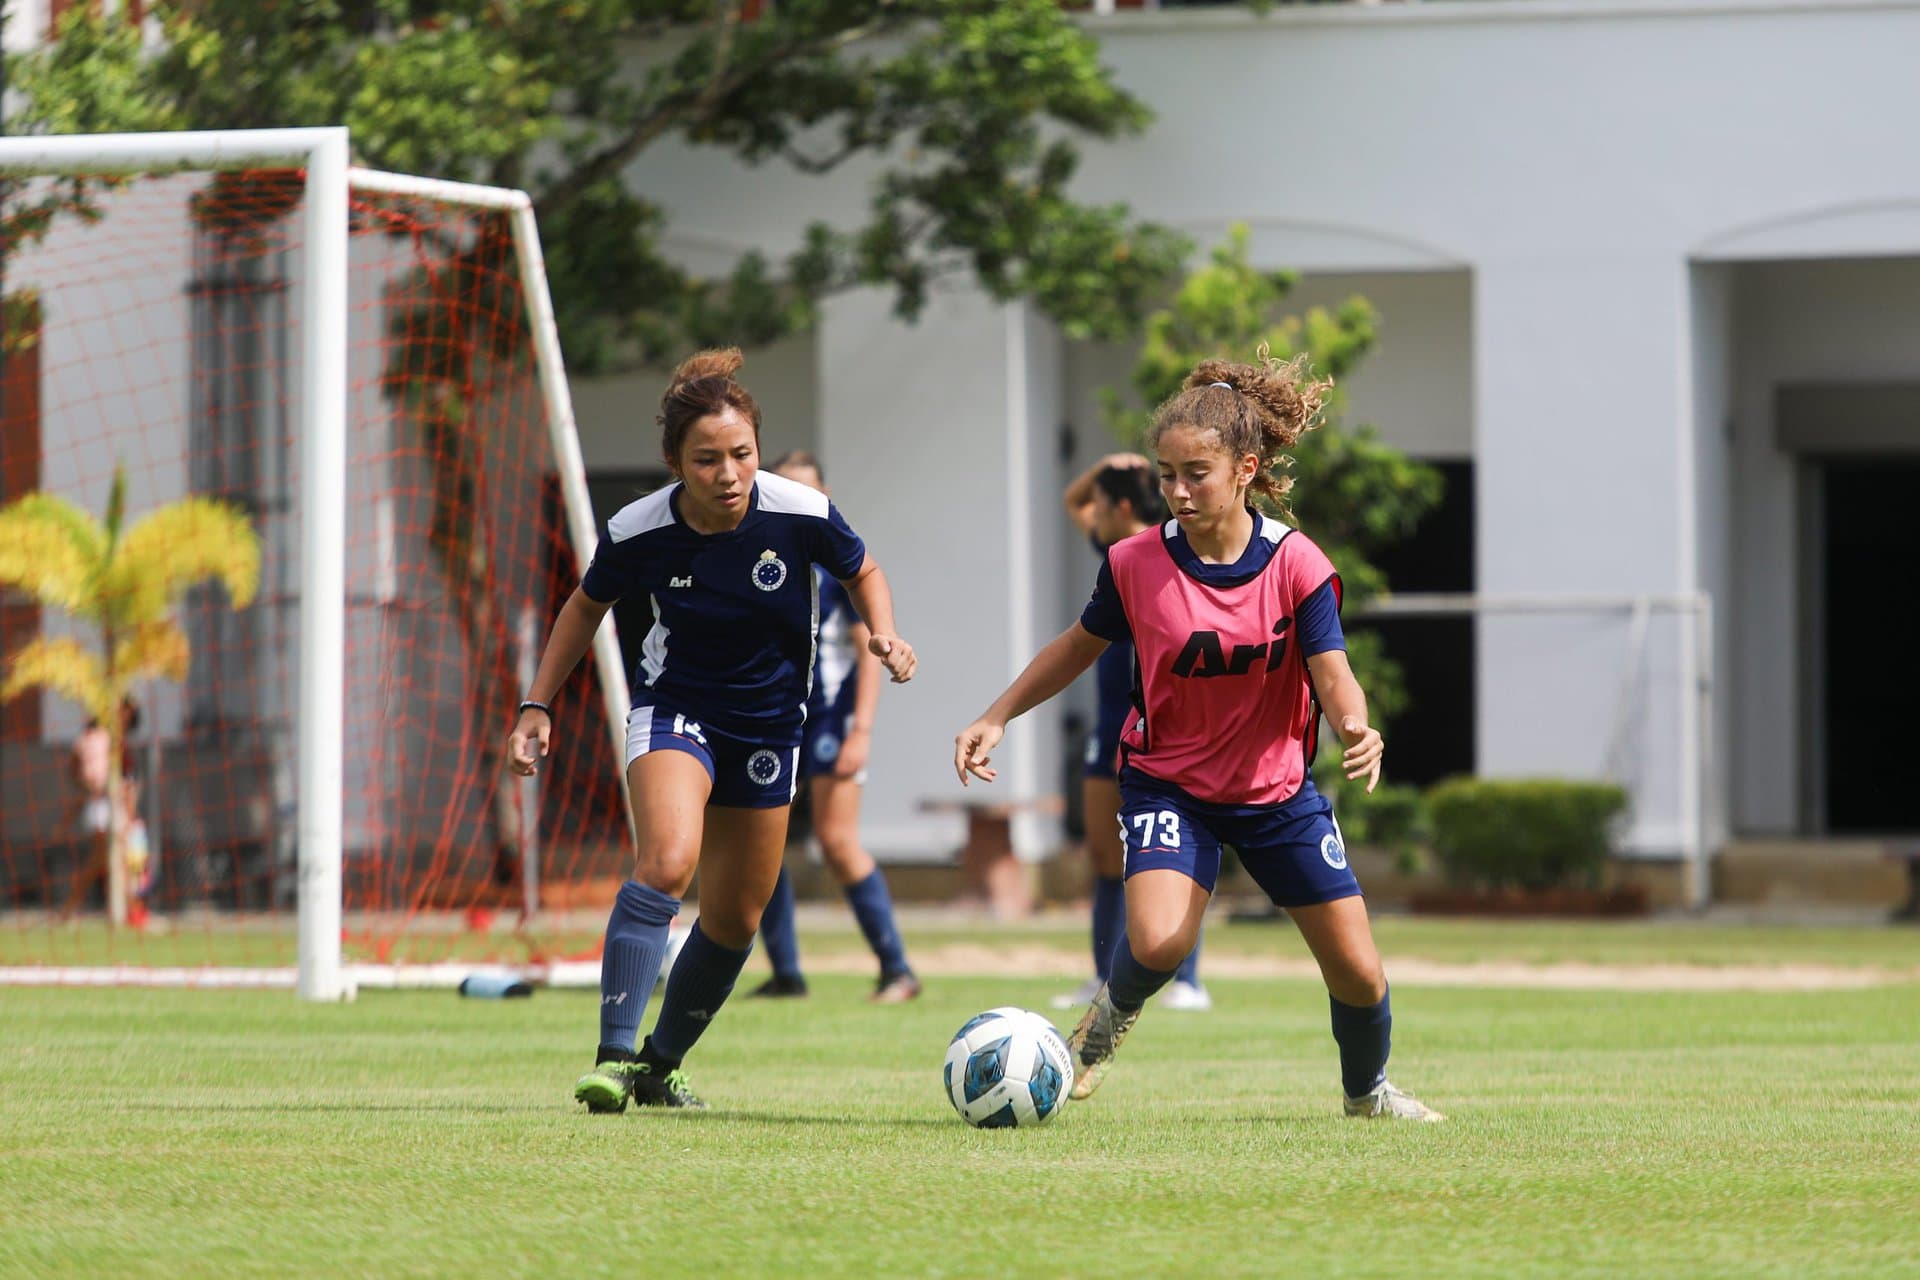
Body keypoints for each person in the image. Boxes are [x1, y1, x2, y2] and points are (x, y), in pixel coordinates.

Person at [953, 351, 1443, 1121]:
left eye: (1196, 474)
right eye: (1165, 475)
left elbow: (1333, 668)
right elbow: (1077, 646)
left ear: (1245, 468)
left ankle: (1368, 1094)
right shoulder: (1133, 562)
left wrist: (1356, 724)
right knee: (1155, 943)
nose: (1177, 491)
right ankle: (1102, 1028)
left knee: (1359, 972)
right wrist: (996, 715)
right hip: (1168, 783)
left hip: (1277, 791)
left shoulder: (1296, 562)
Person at [507, 349, 917, 1112]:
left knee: (735, 919)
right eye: (706, 460)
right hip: (673, 709)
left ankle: (663, 1063)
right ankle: (615, 1058)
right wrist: (537, 704)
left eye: (741, 454)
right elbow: (582, 608)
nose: (728, 473)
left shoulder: (800, 512)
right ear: (674, 463)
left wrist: (883, 633)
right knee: (666, 860)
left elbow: (863, 570)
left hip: (768, 730)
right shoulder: (638, 529)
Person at [748, 450, 920, 1003]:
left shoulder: (833, 561)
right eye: (786, 488)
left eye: (808, 490)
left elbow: (869, 647)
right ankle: (786, 973)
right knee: (760, 844)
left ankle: (897, 969)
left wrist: (860, 730)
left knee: (837, 842)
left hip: (828, 716)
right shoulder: (753, 556)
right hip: (769, 718)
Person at [1055, 453, 1208, 1013]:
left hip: (1156, 731)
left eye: (1103, 503)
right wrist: (1101, 466)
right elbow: (1073, 501)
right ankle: (1101, 975)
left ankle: (1187, 977)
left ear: (1121, 506)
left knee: (1174, 850)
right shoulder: (1118, 556)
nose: (1090, 515)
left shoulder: (1170, 557)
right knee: (1104, 855)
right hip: (1106, 725)